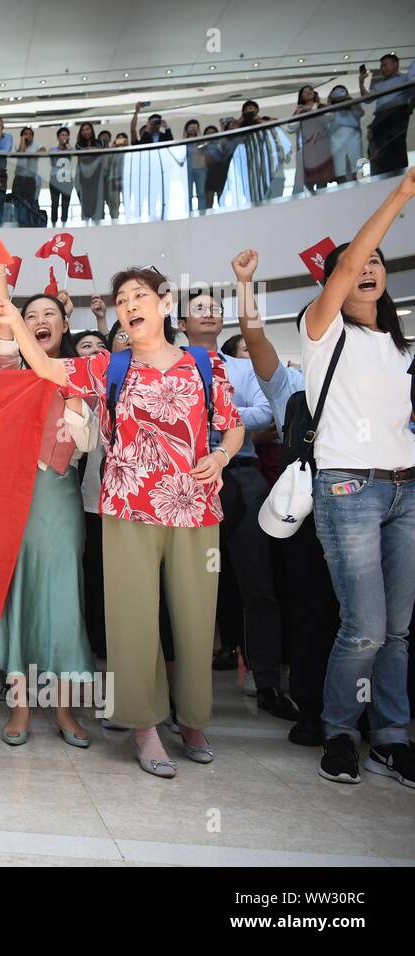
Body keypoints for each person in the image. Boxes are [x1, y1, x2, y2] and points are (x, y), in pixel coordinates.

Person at [0, 266, 244, 778]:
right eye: (123, 299)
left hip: (195, 507)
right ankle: (144, 727)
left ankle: (192, 721)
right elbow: (48, 370)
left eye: (140, 296)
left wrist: (220, 460)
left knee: (196, 621)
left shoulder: (203, 363)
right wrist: (16, 323)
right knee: (133, 622)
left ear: (165, 304)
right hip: (127, 507)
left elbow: (231, 427)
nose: (130, 305)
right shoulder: (110, 365)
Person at [301, 168, 415, 787]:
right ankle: (339, 730)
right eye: (354, 263)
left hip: (407, 489)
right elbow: (344, 271)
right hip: (349, 489)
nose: (366, 269)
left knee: (398, 629)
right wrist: (400, 195)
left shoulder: (400, 348)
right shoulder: (322, 332)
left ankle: (391, 737)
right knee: (365, 626)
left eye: (376, 262)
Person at [0, 290, 97, 748]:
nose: (41, 321)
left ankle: (64, 708)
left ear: (65, 326)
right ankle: (21, 704)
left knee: (63, 596)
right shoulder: (11, 374)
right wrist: (4, 305)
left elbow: (85, 441)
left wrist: (66, 388)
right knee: (17, 594)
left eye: (50, 315)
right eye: (32, 316)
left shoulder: (85, 373)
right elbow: (4, 347)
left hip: (60, 500)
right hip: (13, 500)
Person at [229, 249, 337, 746]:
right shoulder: (289, 384)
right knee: (311, 605)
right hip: (307, 508)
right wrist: (247, 283)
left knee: (371, 618)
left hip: (379, 501)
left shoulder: (375, 367)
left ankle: (378, 720)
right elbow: (254, 338)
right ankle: (312, 709)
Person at [178, 291, 294, 720]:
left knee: (257, 581)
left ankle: (267, 682)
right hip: (185, 476)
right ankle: (179, 687)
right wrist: (230, 416)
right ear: (181, 322)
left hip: (241, 474)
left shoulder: (245, 367)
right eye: (199, 308)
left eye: (215, 308)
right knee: (184, 582)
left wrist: (215, 416)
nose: (209, 313)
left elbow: (268, 414)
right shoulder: (170, 362)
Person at [367, 54, 414, 176]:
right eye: (381, 66)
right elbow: (367, 99)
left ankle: (398, 176)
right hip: (380, 116)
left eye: (385, 65)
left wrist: (410, 107)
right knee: (376, 148)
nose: (383, 68)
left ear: (395, 64)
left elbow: (413, 94)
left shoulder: (405, 79)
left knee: (395, 145)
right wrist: (361, 82)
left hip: (397, 114)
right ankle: (379, 176)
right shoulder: (378, 85)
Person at [290, 85, 332, 192]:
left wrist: (311, 110)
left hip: (322, 146)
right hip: (307, 149)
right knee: (308, 181)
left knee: (322, 180)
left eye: (310, 90)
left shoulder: (322, 106)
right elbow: (291, 128)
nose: (309, 92)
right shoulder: (299, 110)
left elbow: (329, 119)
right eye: (305, 92)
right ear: (301, 97)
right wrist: (298, 113)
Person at [326, 83, 365, 184]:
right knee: (340, 170)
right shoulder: (331, 109)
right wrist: (330, 102)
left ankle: (360, 187)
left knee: (356, 167)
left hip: (354, 137)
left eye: (342, 92)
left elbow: (360, 113)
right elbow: (326, 118)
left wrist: (351, 101)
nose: (339, 95)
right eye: (336, 93)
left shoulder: (353, 105)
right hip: (336, 139)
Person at [74, 122, 104, 223]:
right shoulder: (79, 144)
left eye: (88, 129)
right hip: (84, 177)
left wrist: (90, 150)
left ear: (92, 130)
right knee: (85, 202)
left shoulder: (100, 142)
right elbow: (82, 153)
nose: (85, 131)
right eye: (83, 130)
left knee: (98, 202)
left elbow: (102, 150)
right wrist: (92, 150)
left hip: (97, 176)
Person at [48, 126, 73, 226]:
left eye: (66, 135)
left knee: (65, 203)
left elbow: (71, 152)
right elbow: (53, 161)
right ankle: (53, 224)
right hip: (55, 178)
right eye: (62, 135)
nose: (64, 137)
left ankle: (64, 224)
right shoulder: (52, 150)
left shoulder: (70, 148)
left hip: (67, 179)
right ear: (58, 137)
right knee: (54, 203)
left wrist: (66, 145)